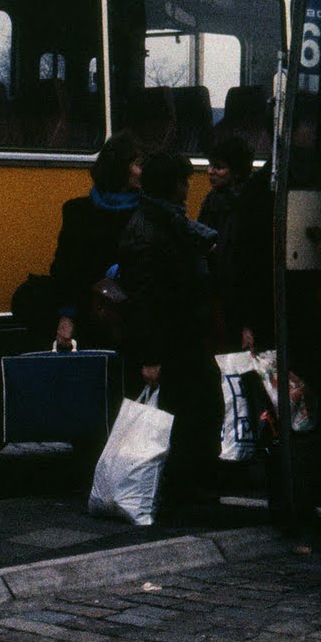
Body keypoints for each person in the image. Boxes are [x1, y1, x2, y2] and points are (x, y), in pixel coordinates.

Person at [118, 150, 222, 519]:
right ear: (172, 185)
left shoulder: (168, 221)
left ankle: (190, 487)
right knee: (189, 414)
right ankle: (184, 491)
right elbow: (144, 299)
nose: (187, 189)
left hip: (183, 336)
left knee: (194, 411)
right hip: (170, 341)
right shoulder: (150, 229)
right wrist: (150, 356)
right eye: (183, 182)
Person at [49, 132, 143, 350]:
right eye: (139, 164)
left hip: (133, 312)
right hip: (88, 308)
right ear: (120, 167)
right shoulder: (78, 212)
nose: (144, 172)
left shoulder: (148, 212)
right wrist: (67, 316)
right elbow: (66, 268)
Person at [198, 136, 255, 349]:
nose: (210, 171)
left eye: (219, 167)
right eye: (211, 165)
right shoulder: (212, 200)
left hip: (237, 295)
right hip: (217, 291)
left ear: (236, 171)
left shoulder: (246, 204)